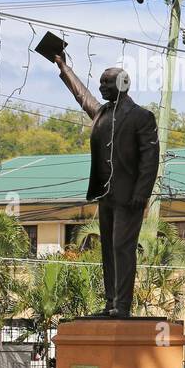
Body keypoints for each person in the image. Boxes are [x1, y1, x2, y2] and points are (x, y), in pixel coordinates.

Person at [53, 52, 159, 317]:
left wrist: (141, 193)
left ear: (122, 84)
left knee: (123, 248)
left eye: (106, 83)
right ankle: (111, 302)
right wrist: (64, 67)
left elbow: (150, 159)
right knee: (108, 249)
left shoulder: (141, 117)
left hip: (129, 197)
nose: (101, 88)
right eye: (100, 84)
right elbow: (82, 96)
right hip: (106, 195)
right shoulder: (101, 113)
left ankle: (122, 306)